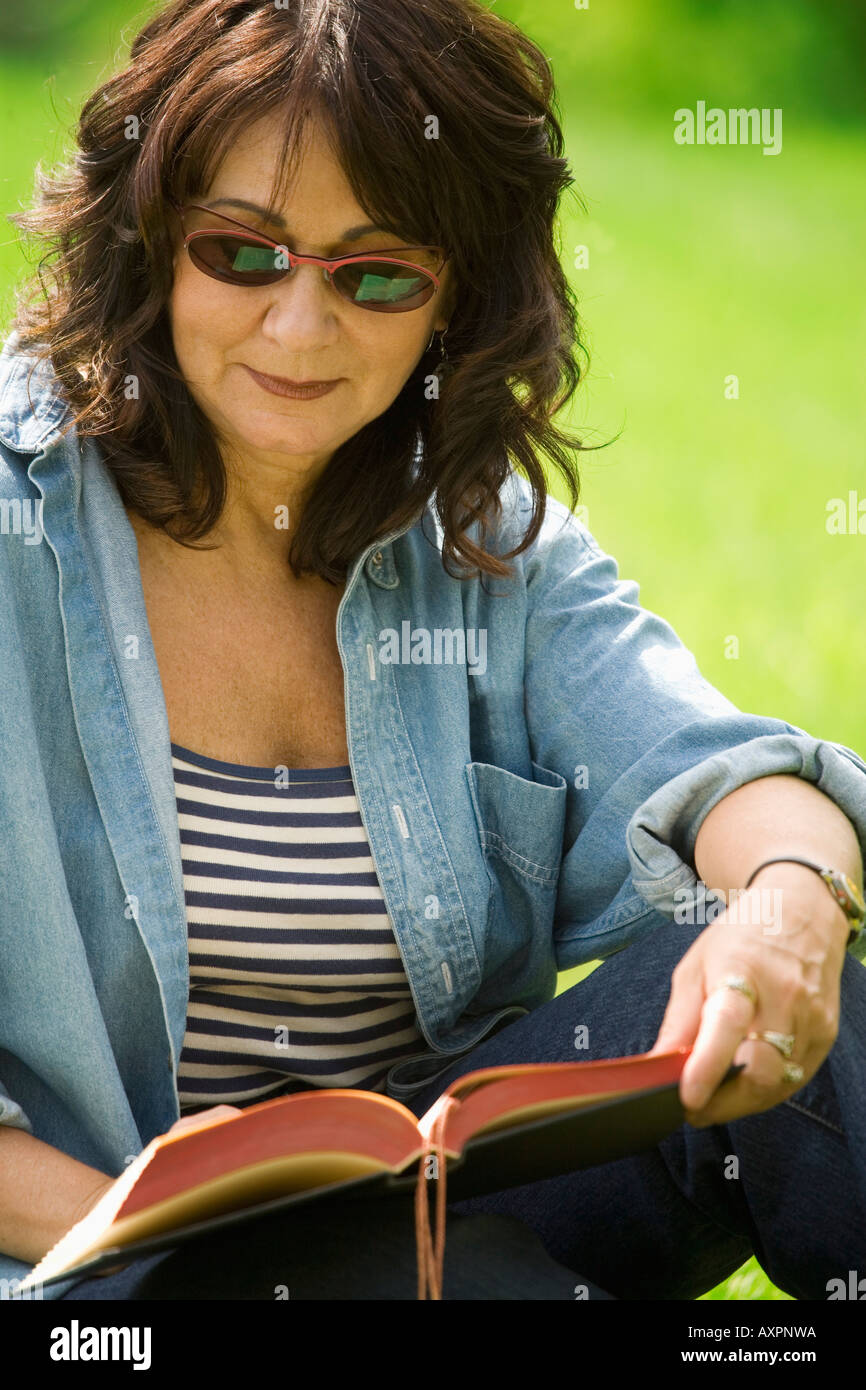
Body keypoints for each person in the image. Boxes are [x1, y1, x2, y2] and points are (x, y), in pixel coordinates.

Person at [1, 0, 865, 1303]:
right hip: (105, 1255)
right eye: (242, 254)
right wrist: (178, 1237)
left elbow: (726, 766)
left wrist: (789, 905)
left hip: (425, 1187)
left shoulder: (477, 543)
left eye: (376, 274)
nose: (300, 328)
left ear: (455, 301)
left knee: (843, 1033)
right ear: (149, 242)